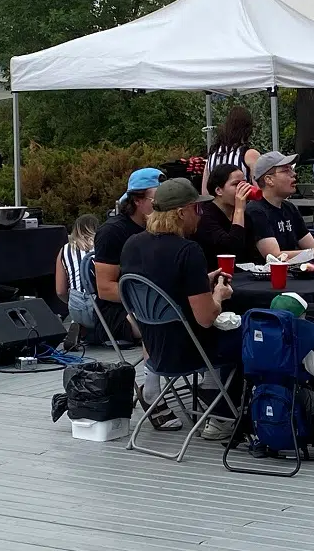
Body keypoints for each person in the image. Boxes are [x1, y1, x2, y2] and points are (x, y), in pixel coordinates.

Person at [121, 178, 243, 440]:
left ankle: (209, 400)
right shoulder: (188, 250)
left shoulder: (133, 244)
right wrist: (219, 295)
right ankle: (221, 417)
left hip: (153, 349)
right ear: (180, 213)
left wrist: (202, 280)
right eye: (196, 209)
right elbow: (206, 318)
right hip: (187, 352)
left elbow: (159, 287)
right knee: (244, 334)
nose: (199, 216)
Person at [94, 168, 181, 430]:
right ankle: (151, 391)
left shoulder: (165, 228)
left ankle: (215, 395)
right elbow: (104, 288)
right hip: (117, 310)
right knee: (157, 319)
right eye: (157, 198)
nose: (163, 205)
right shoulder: (113, 233)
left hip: (161, 301)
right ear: (137, 200)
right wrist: (148, 298)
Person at [251, 292, 314, 466]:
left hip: (261, 389)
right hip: (291, 391)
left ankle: (259, 441)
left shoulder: (258, 338)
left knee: (261, 404)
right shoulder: (298, 343)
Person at [246, 151, 314, 263]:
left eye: (291, 169)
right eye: (286, 170)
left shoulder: (289, 208)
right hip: (266, 278)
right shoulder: (256, 210)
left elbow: (312, 247)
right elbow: (275, 256)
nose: (293, 174)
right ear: (269, 180)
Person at [193, 163, 253, 269]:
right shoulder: (205, 217)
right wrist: (239, 210)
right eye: (236, 184)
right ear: (218, 190)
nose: (243, 188)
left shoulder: (245, 215)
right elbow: (231, 249)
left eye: (244, 183)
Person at [55, 214, 99, 349]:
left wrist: (71, 302)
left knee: (79, 304)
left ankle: (78, 323)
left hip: (75, 305)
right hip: (99, 304)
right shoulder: (102, 246)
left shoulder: (65, 250)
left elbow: (60, 290)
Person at [201, 106, 260, 193]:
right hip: (243, 204)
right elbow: (259, 188)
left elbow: (205, 190)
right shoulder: (249, 154)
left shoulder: (213, 154)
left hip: (216, 203)